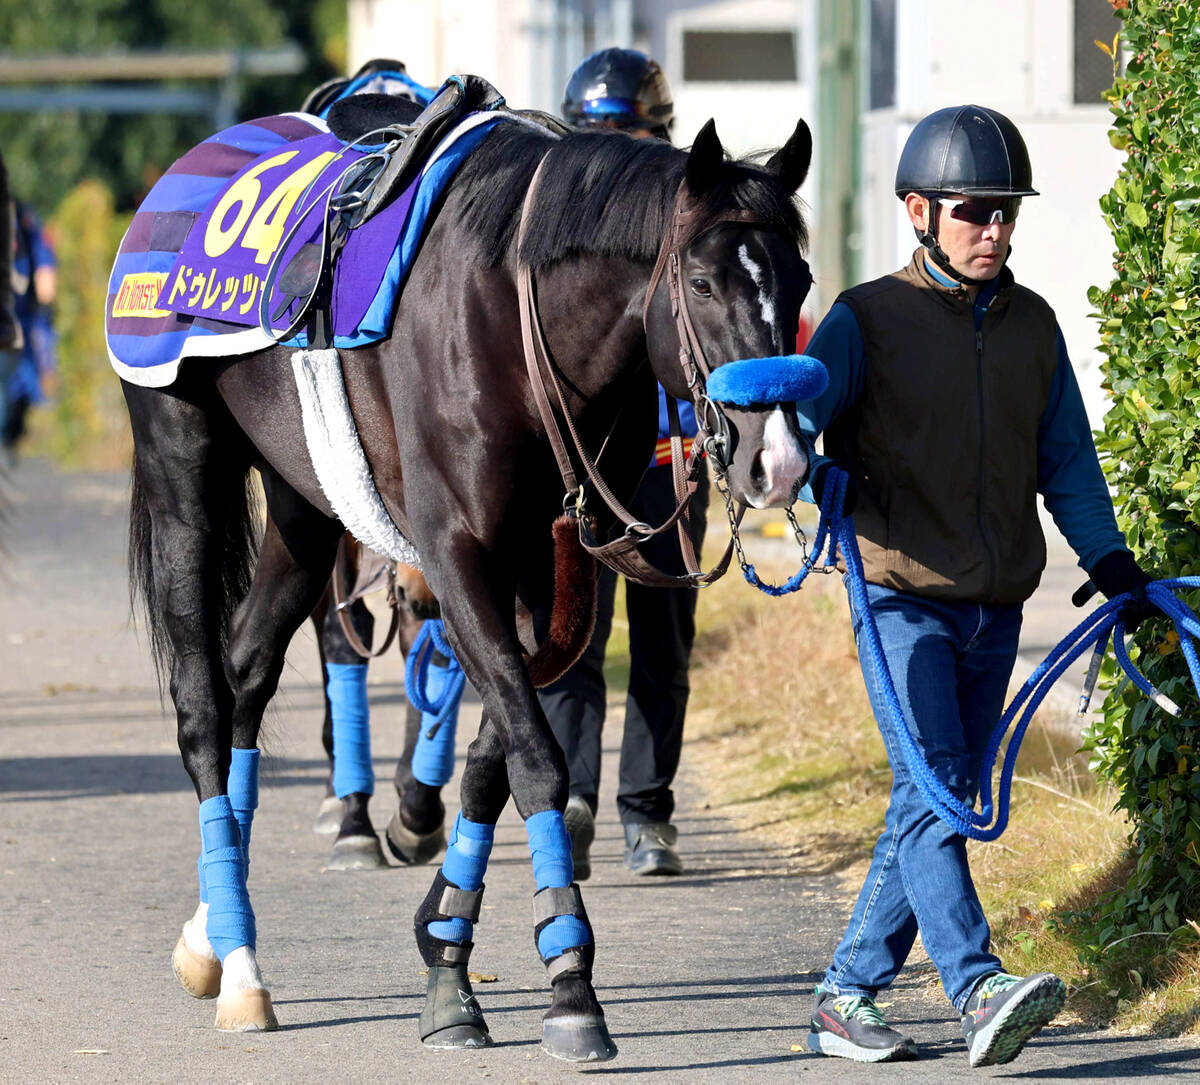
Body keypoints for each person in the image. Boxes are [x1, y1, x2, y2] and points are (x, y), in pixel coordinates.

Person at [796, 104, 1155, 1067]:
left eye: (1006, 213)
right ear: (918, 210)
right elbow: (800, 417)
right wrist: (786, 430)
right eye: (973, 212)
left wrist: (1109, 559)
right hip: (898, 595)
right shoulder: (863, 318)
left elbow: (1067, 458)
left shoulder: (1034, 325)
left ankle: (845, 994)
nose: (994, 231)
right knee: (937, 787)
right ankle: (977, 983)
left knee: (933, 791)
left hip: (995, 606)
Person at [538, 47, 707, 878]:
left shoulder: (690, 220)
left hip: (669, 462)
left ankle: (648, 810)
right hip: (584, 465)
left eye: (628, 135)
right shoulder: (558, 238)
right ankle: (572, 797)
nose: (612, 155)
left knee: (662, 646)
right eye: (597, 137)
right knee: (571, 634)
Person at [2, 198, 57, 461]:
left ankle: (18, 434)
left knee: (25, 374)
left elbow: (39, 250)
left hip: (21, 312)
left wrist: (45, 267)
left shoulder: (22, 213)